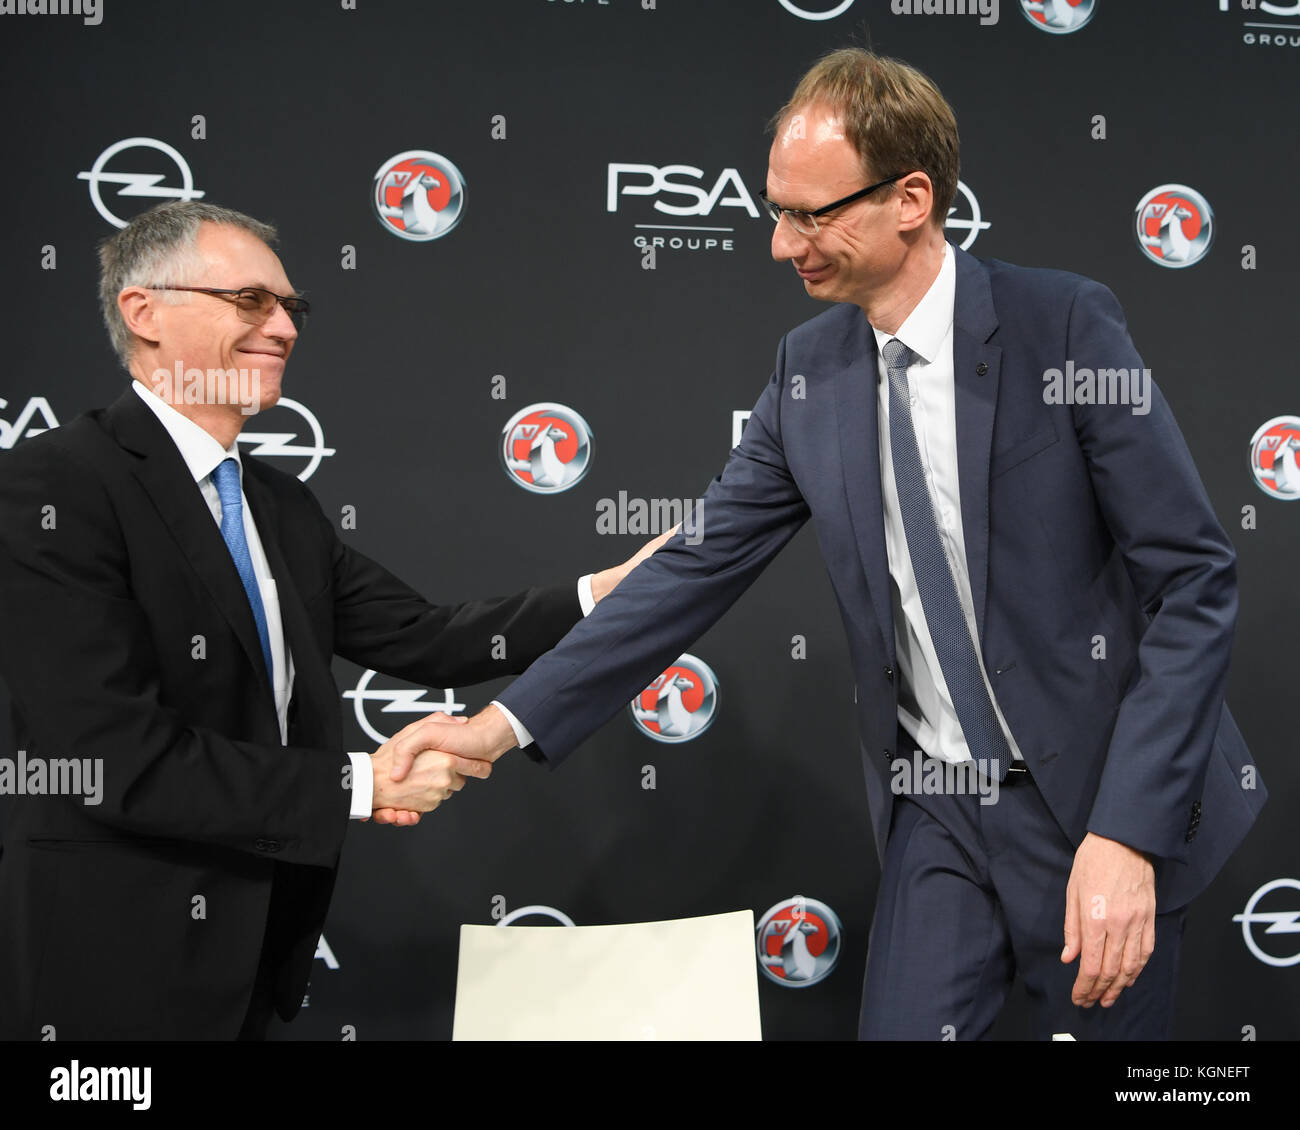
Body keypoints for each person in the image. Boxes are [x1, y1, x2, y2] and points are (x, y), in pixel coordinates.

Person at [385, 49, 1267, 1040]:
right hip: (938, 807)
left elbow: (1192, 580)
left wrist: (1127, 833)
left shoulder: (1060, 325)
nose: (779, 243)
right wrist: (495, 727)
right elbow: (692, 563)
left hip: (1098, 799)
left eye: (810, 214)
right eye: (774, 209)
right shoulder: (807, 370)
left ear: (911, 198)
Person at [0, 201, 663, 1040]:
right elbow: (111, 758)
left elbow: (429, 637)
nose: (282, 327)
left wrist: (607, 592)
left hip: (256, 954)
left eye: (290, 308)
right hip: (106, 963)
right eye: (251, 301)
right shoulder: (57, 484)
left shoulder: (277, 502)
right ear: (145, 312)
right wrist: (364, 782)